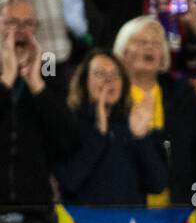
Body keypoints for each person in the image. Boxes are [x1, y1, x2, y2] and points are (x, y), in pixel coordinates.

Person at [0, 0, 80, 223]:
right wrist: (6, 81)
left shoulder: (50, 77)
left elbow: (69, 141)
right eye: (11, 22)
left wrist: (35, 83)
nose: (19, 31)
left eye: (27, 23)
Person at [113, 16, 196, 207]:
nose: (149, 47)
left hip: (177, 202)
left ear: (164, 56)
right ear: (122, 51)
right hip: (125, 203)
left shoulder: (181, 92)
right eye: (141, 42)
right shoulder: (111, 94)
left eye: (156, 43)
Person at [55, 48, 168, 206]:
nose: (109, 80)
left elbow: (158, 185)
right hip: (84, 221)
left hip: (129, 221)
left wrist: (140, 138)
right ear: (84, 82)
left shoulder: (133, 124)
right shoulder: (68, 123)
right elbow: (69, 183)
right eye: (100, 74)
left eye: (115, 75)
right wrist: (99, 133)